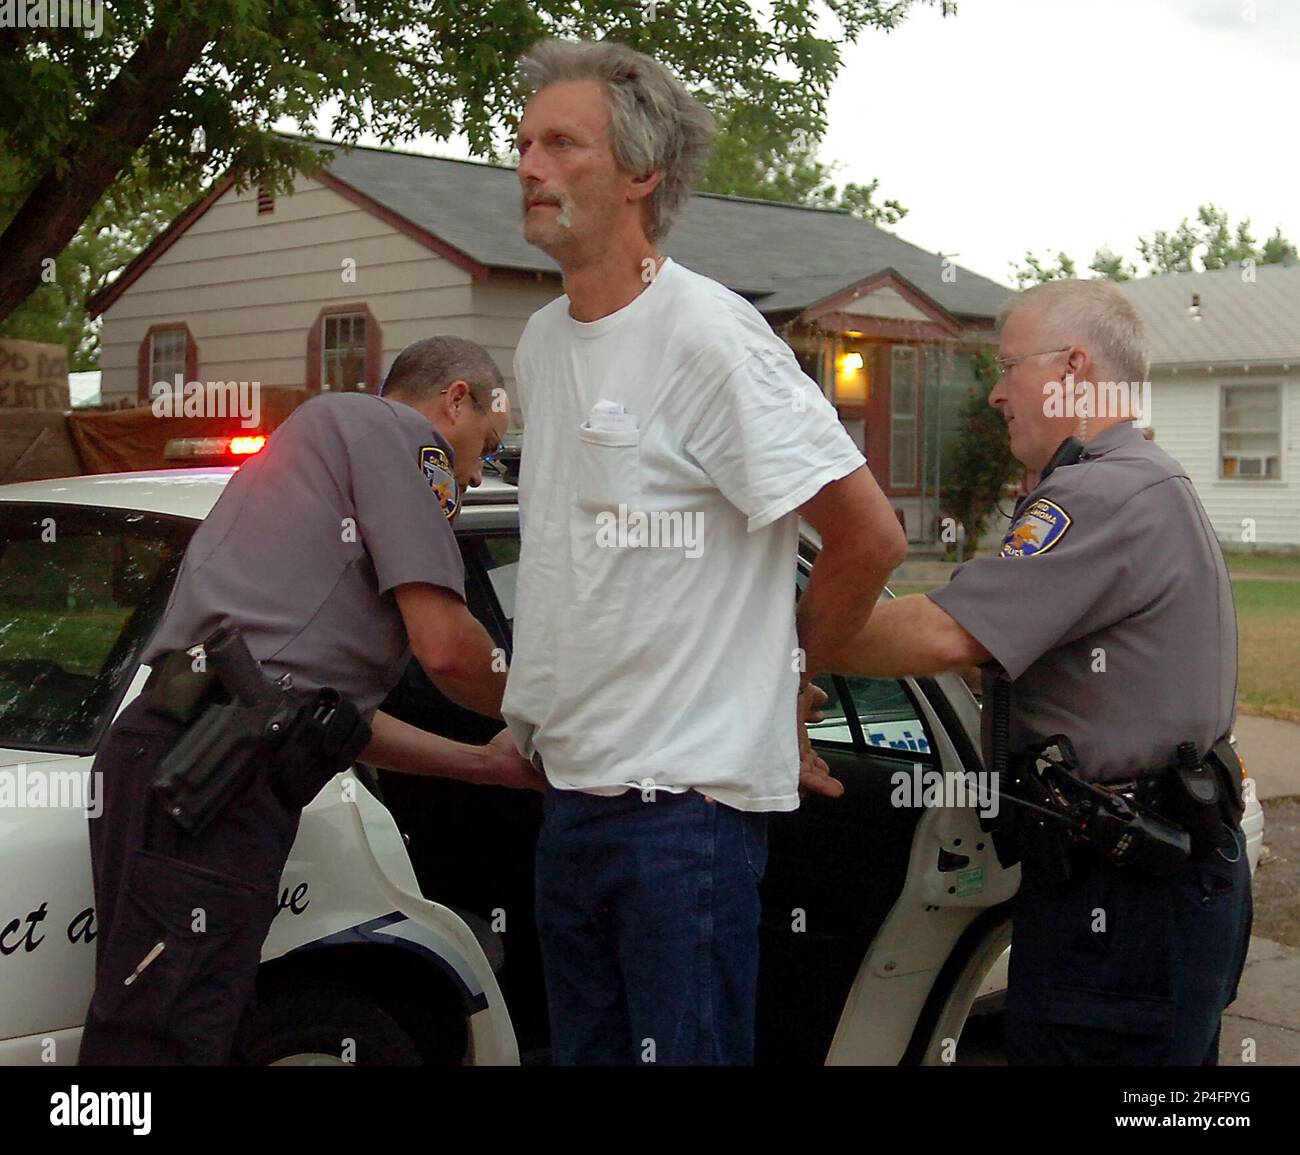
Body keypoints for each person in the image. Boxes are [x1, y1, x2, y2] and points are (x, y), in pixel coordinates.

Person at [502, 37, 907, 1066]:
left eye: (560, 144)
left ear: (641, 174)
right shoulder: (543, 341)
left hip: (684, 817)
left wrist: (794, 675)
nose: (528, 166)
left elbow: (866, 535)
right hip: (568, 795)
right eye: (522, 143)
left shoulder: (710, 336)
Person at [820, 279, 1252, 1065]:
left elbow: (950, 632)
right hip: (1164, 880)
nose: (994, 392)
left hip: (1119, 898)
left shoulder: (1101, 491)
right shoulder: (1144, 477)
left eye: (1009, 365)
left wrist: (786, 636)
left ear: (1073, 370)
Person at [80, 336, 542, 1066]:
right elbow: (450, 649)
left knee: (179, 1020)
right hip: (216, 773)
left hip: (189, 754)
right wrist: (562, 719)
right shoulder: (396, 434)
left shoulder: (325, 451)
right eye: (485, 445)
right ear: (457, 399)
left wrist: (483, 764)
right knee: (166, 1036)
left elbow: (323, 714)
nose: (478, 472)